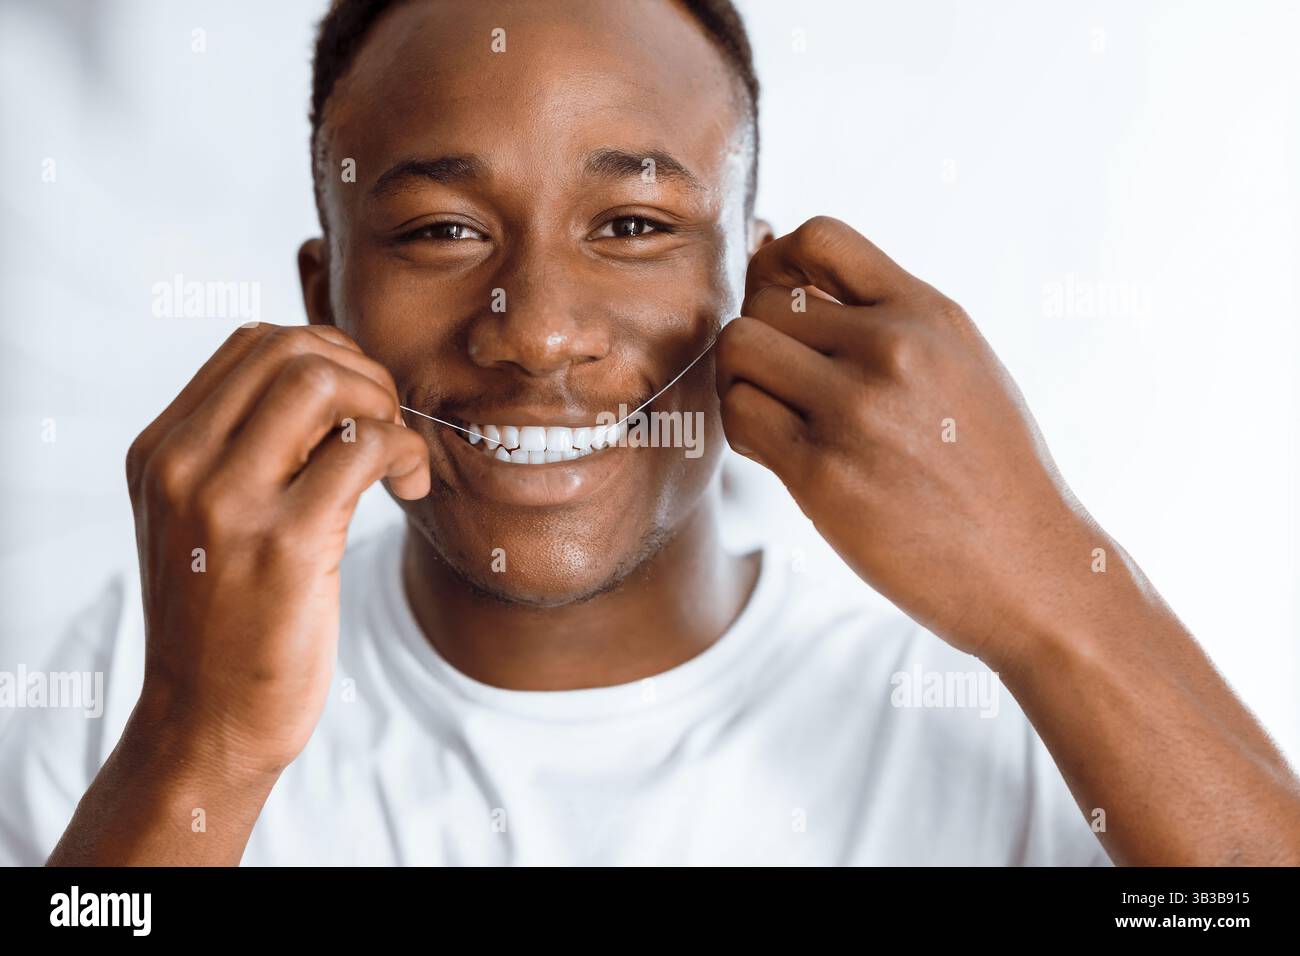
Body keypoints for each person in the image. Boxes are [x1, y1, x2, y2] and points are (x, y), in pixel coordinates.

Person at [4, 0, 1297, 866]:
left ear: (756, 287)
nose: (536, 329)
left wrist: (1059, 597)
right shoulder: (145, 679)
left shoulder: (1003, 713)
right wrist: (203, 739)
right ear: (322, 300)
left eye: (631, 227)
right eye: (442, 232)